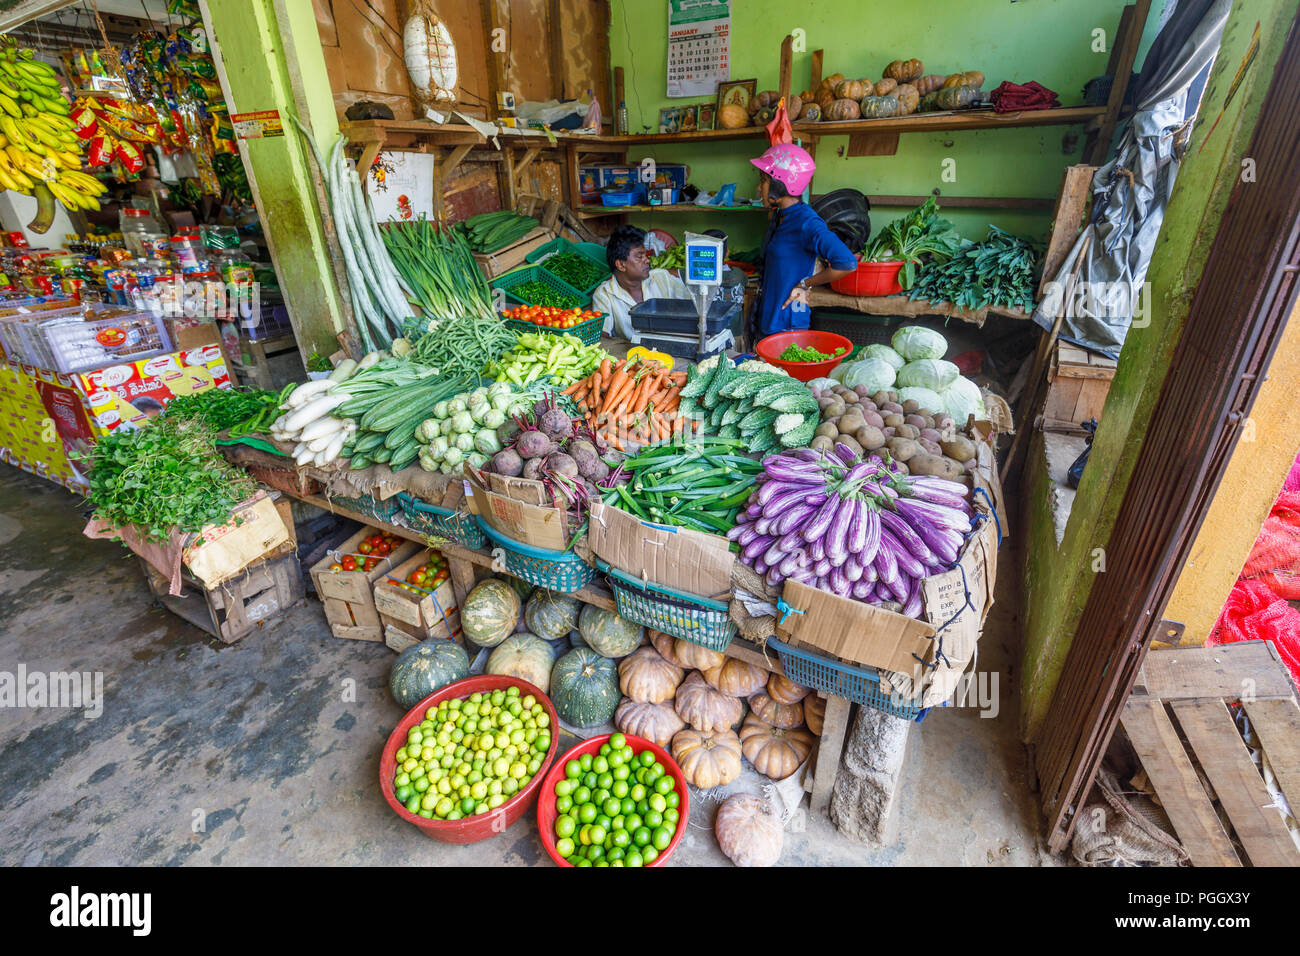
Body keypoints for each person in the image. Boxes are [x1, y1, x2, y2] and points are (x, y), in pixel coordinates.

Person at [750, 144, 856, 338]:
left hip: (787, 325)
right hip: (770, 320)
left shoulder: (806, 222)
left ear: (781, 184)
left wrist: (805, 283)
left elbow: (847, 262)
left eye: (764, 181)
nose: (759, 187)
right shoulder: (780, 216)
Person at [591, 225, 691, 339]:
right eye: (640, 256)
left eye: (646, 255)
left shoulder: (662, 278)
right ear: (621, 265)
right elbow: (602, 334)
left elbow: (693, 305)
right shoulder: (604, 294)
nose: (647, 260)